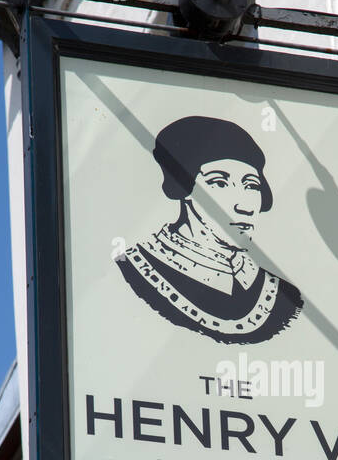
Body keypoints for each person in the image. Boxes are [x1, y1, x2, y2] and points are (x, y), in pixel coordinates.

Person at [116, 115, 303, 344]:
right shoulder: (132, 270)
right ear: (183, 187)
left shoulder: (283, 297)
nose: (243, 206)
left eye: (251, 185)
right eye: (220, 183)